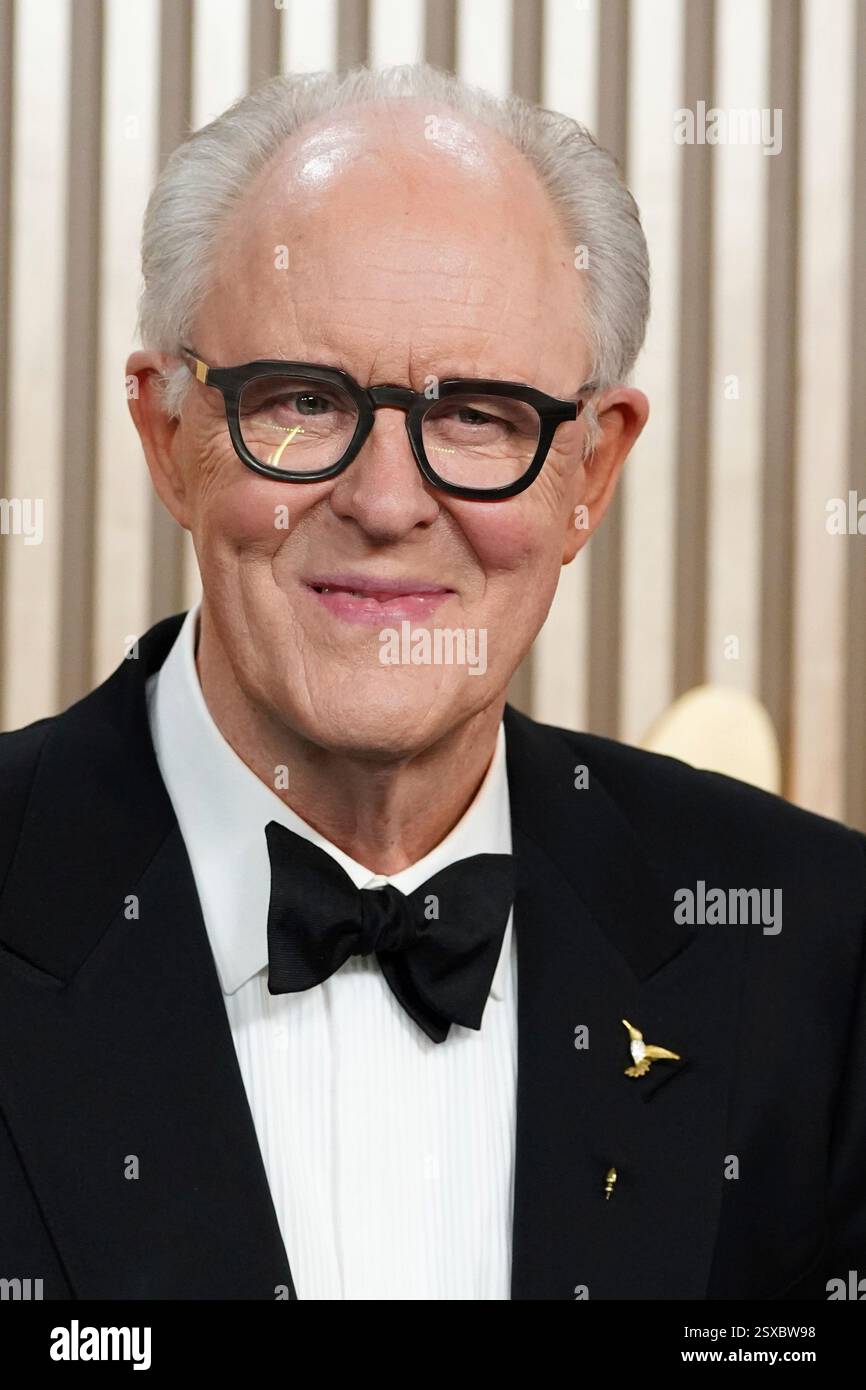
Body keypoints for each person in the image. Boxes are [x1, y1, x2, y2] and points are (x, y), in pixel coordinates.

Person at [0, 63, 863, 1301]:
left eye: (477, 416)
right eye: (301, 400)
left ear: (591, 472)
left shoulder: (816, 953)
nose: (387, 502)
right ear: (167, 436)